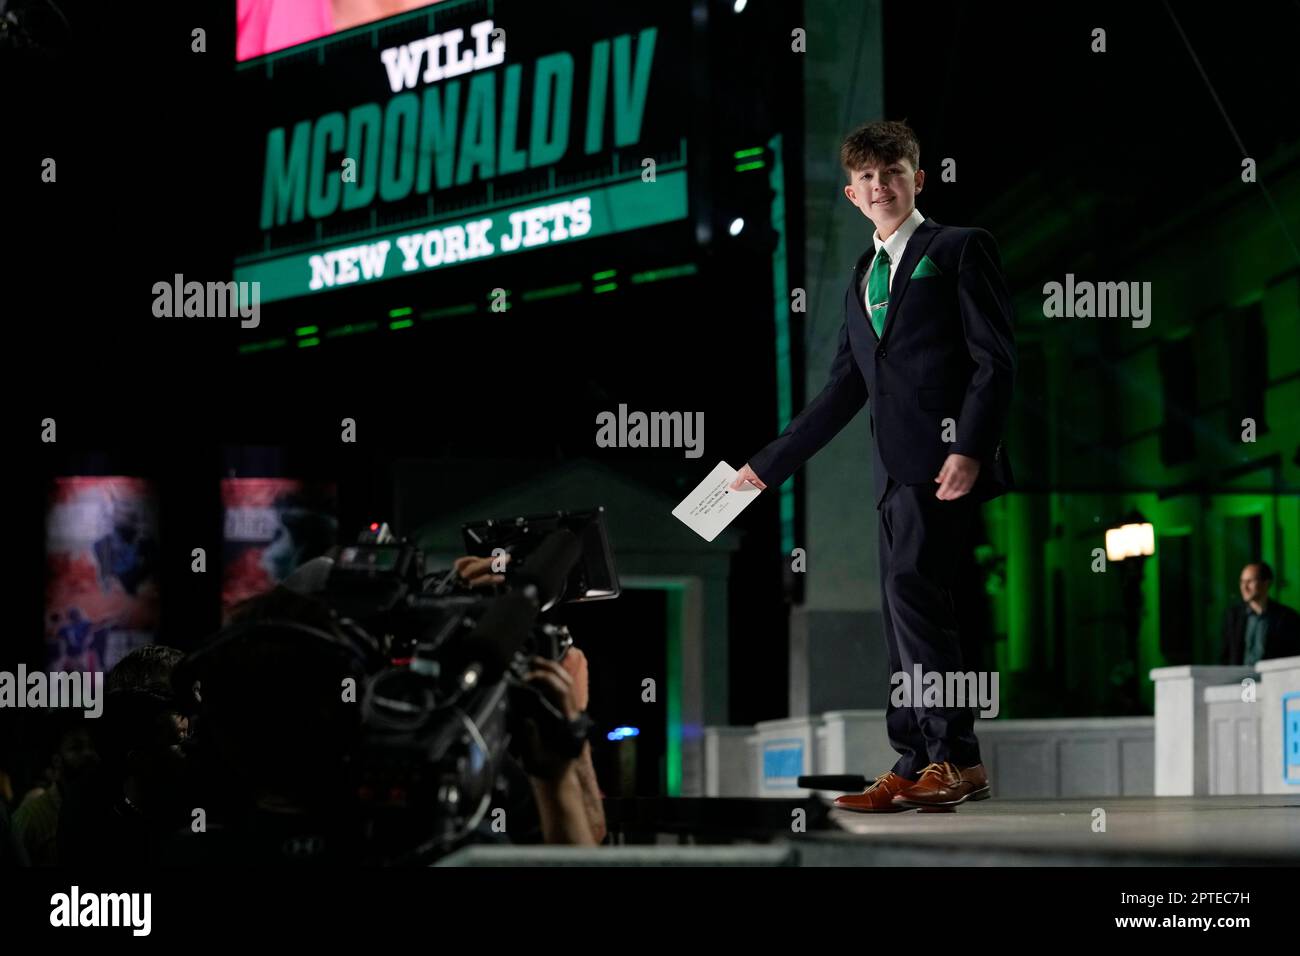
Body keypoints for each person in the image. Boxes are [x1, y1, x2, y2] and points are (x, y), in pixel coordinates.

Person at [730, 119, 1015, 811]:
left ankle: (951, 758)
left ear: (918, 179)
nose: (879, 185)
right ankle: (919, 758)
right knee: (903, 614)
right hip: (892, 473)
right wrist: (767, 466)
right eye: (865, 178)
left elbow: (995, 359)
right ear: (853, 196)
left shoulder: (958, 248)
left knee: (917, 602)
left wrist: (969, 446)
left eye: (892, 173)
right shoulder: (864, 273)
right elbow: (842, 389)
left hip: (945, 462)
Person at [1220, 562, 1300, 666]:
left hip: (1274, 679)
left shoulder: (1287, 617)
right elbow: (1225, 656)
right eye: (1242, 582)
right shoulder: (1233, 616)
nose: (1244, 587)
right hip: (1240, 680)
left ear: (1265, 583)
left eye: (1249, 581)